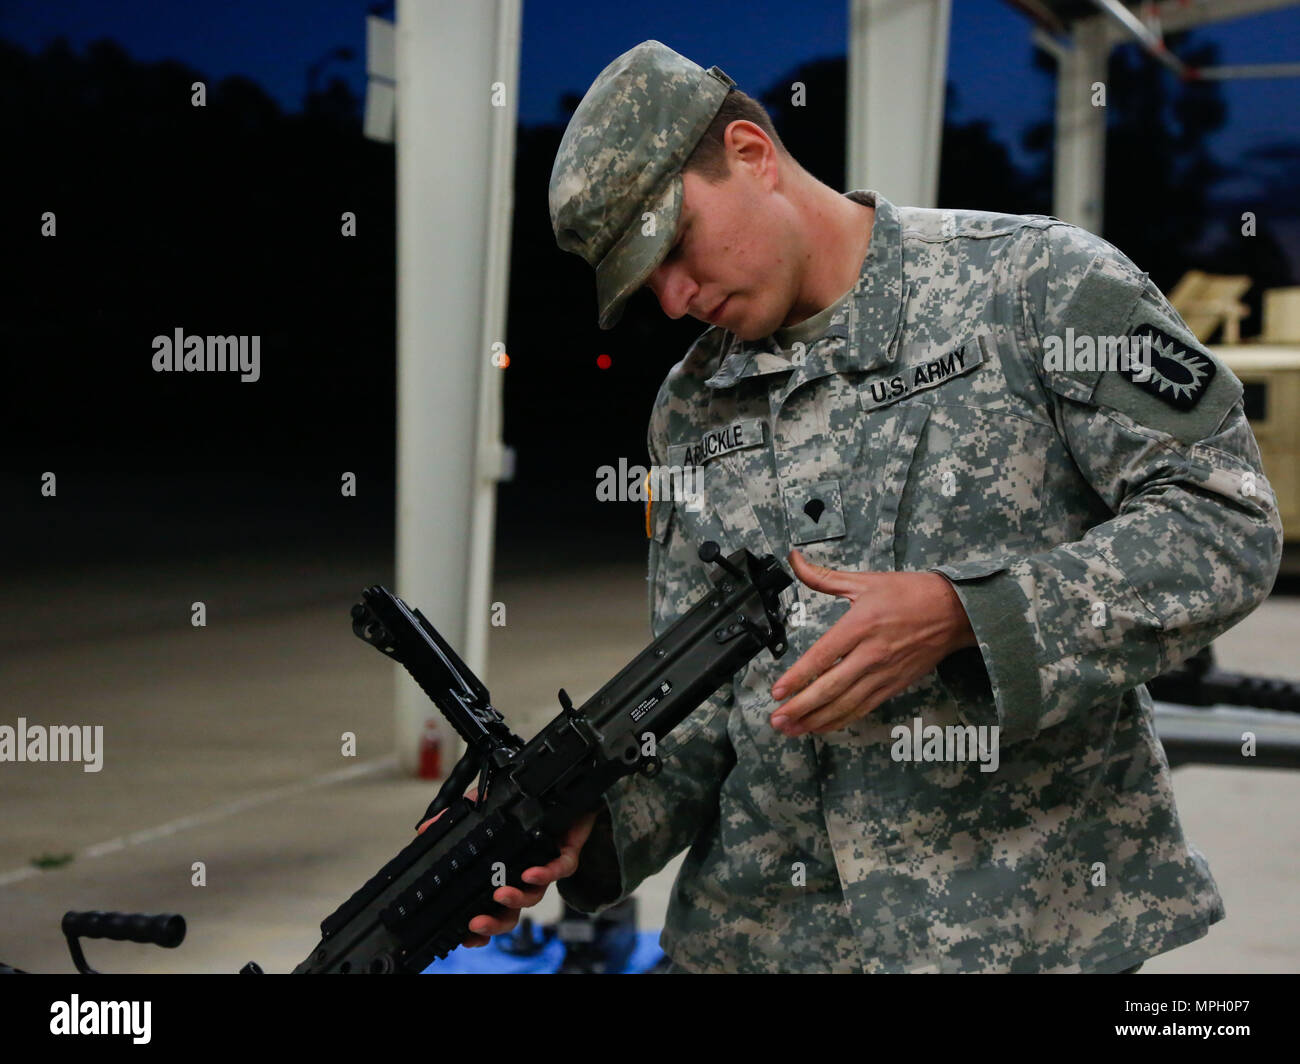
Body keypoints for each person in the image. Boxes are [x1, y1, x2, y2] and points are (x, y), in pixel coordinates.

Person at [432, 39, 1282, 972]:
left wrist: (970, 616)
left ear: (752, 154)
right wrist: (585, 826)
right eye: (646, 285)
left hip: (1017, 935)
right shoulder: (689, 407)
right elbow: (704, 705)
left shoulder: (1037, 286)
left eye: (673, 247)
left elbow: (1225, 522)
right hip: (758, 944)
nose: (675, 299)